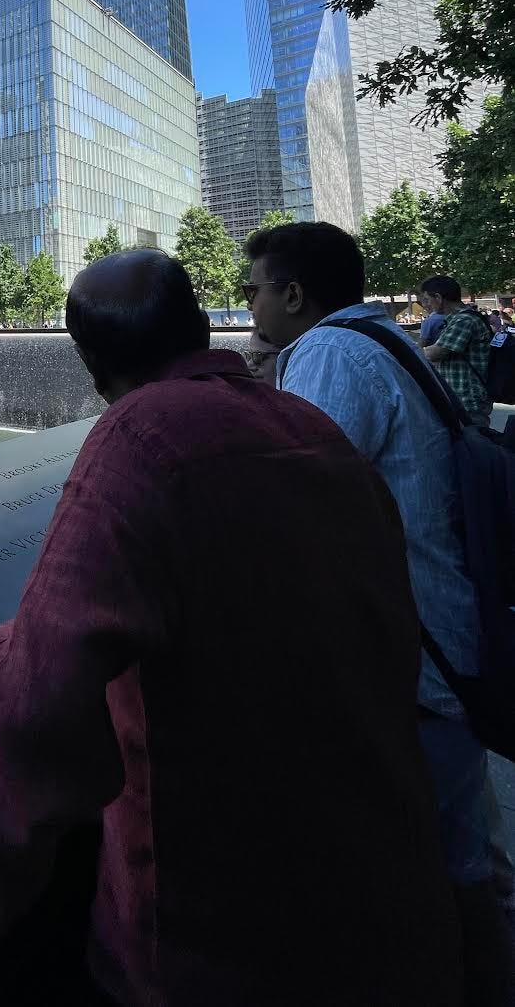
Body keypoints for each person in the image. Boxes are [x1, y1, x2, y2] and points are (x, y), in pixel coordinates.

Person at [0, 250, 461, 1007]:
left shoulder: (139, 441)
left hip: (219, 958)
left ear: (91, 370)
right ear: (200, 326)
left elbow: (30, 702)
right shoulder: (316, 431)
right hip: (395, 921)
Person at [246, 222, 511, 1006]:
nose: (248, 305)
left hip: (415, 662)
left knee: (446, 871)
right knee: (471, 853)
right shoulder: (382, 339)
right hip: (447, 639)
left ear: (294, 293)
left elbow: (292, 499)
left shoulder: (330, 353)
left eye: (254, 290)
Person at [421, 276, 494, 428]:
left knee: (473, 441)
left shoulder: (464, 320)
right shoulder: (457, 319)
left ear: (438, 297)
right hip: (461, 400)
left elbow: (434, 353)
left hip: (468, 401)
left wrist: (408, 350)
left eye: (427, 299)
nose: (426, 305)